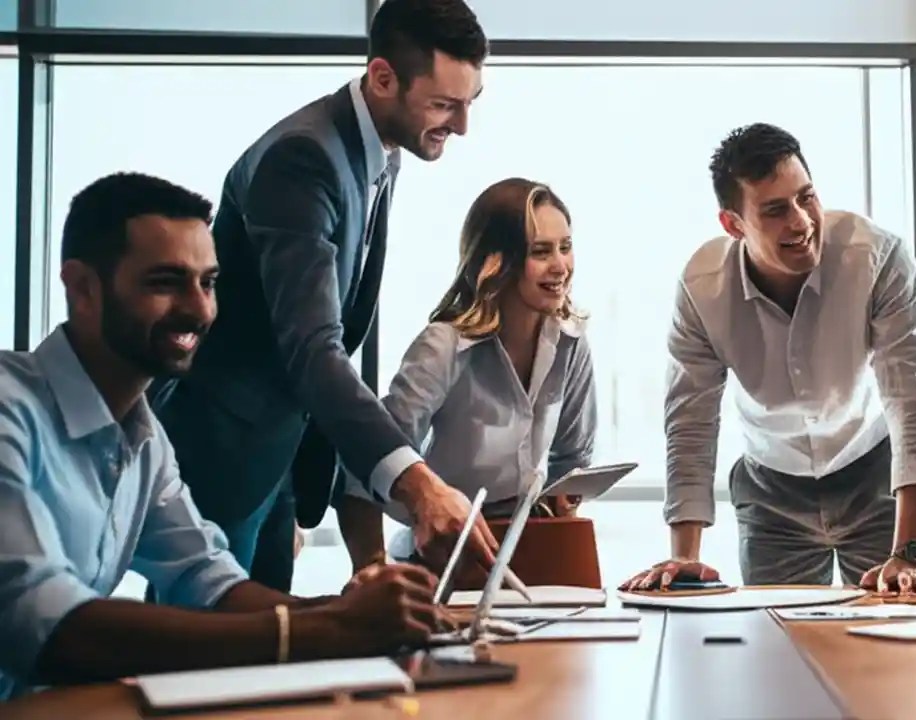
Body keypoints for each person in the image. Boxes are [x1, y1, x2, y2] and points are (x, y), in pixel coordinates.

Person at [0, 173, 451, 701]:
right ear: (82, 289)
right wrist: (326, 630)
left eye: (208, 282)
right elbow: (43, 624)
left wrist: (357, 615)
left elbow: (208, 580)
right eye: (166, 282)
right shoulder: (11, 410)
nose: (199, 309)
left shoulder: (144, 436)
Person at [148, 0, 497, 593]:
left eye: (470, 103)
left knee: (264, 662)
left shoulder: (379, 150)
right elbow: (313, 345)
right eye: (444, 105)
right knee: (199, 659)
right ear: (383, 78)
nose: (461, 125)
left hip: (276, 453)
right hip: (227, 454)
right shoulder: (303, 157)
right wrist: (417, 482)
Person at [620, 123, 916, 592]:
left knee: (896, 632)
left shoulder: (877, 257)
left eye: (806, 197)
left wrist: (908, 550)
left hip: (874, 476)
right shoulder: (701, 288)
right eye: (774, 211)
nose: (800, 221)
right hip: (771, 491)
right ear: (733, 225)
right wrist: (684, 559)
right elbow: (690, 423)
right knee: (774, 647)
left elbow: (913, 402)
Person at [338, 178, 596, 572]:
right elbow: (366, 464)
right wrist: (371, 569)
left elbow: (572, 458)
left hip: (528, 547)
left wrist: (563, 502)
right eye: (540, 252)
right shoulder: (443, 346)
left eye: (566, 247)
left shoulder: (570, 341)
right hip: (439, 554)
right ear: (496, 260)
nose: (560, 266)